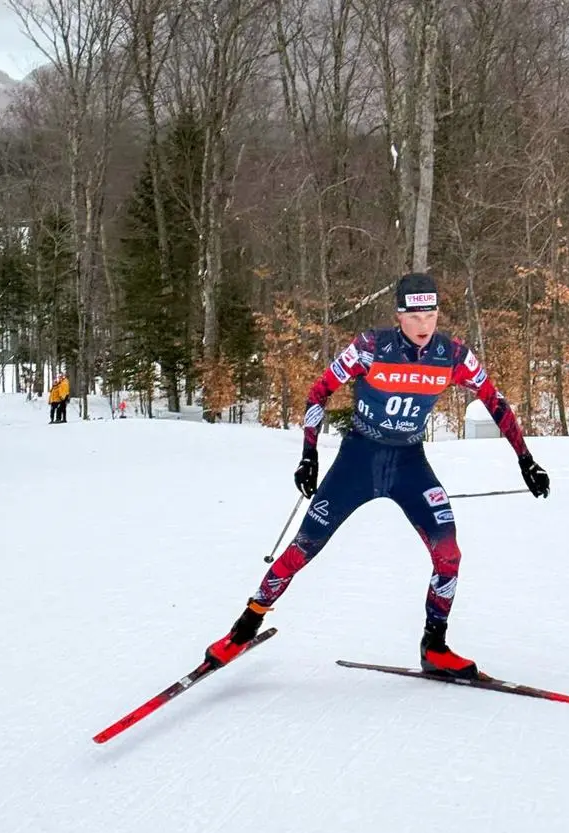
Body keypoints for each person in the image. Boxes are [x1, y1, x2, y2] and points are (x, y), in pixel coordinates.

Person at [205, 273, 550, 677]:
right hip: (359, 459)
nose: (425, 326)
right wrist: (308, 455)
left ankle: (435, 647)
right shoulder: (370, 347)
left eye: (432, 315)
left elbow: (495, 400)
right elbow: (319, 392)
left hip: (408, 463)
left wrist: (526, 459)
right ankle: (243, 629)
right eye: (416, 316)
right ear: (399, 316)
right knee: (302, 548)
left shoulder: (452, 354)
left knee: (449, 554)